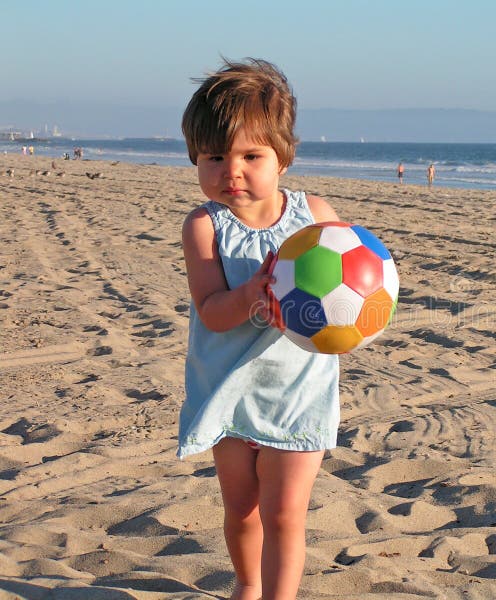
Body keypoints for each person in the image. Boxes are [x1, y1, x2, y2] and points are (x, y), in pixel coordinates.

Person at [178, 58, 341, 600]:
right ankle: (247, 584)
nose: (233, 171)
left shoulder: (314, 216)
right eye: (215, 157)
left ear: (283, 158)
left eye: (252, 156)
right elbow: (210, 310)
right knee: (243, 510)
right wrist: (251, 295)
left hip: (298, 389)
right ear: (195, 161)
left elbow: (355, 283)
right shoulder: (204, 226)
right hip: (229, 388)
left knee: (285, 512)